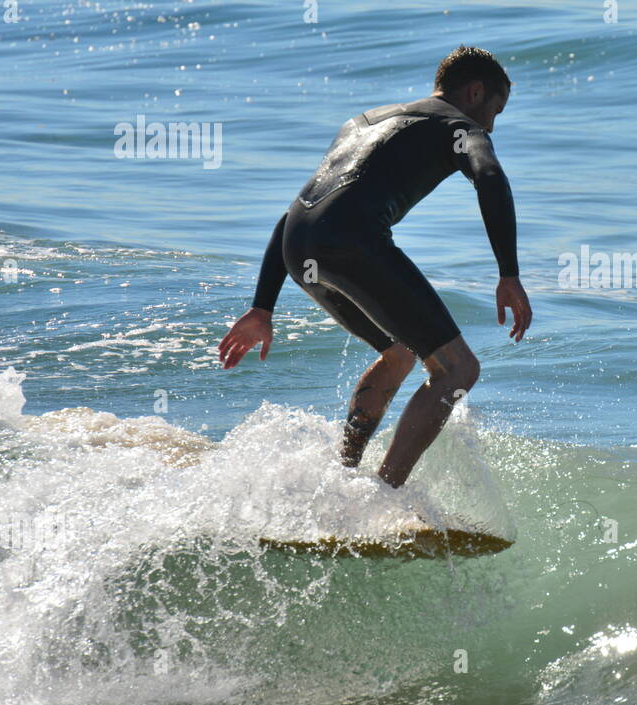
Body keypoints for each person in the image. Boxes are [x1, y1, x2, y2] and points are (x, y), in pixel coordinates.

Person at [218, 46, 531, 488]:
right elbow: (490, 176)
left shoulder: (363, 122)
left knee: (401, 351)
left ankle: (342, 476)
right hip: (351, 241)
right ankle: (385, 493)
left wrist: (262, 307)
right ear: (475, 91)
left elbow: (297, 215)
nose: (491, 125)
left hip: (298, 245)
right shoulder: (456, 124)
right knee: (458, 370)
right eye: (495, 111)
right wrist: (508, 273)